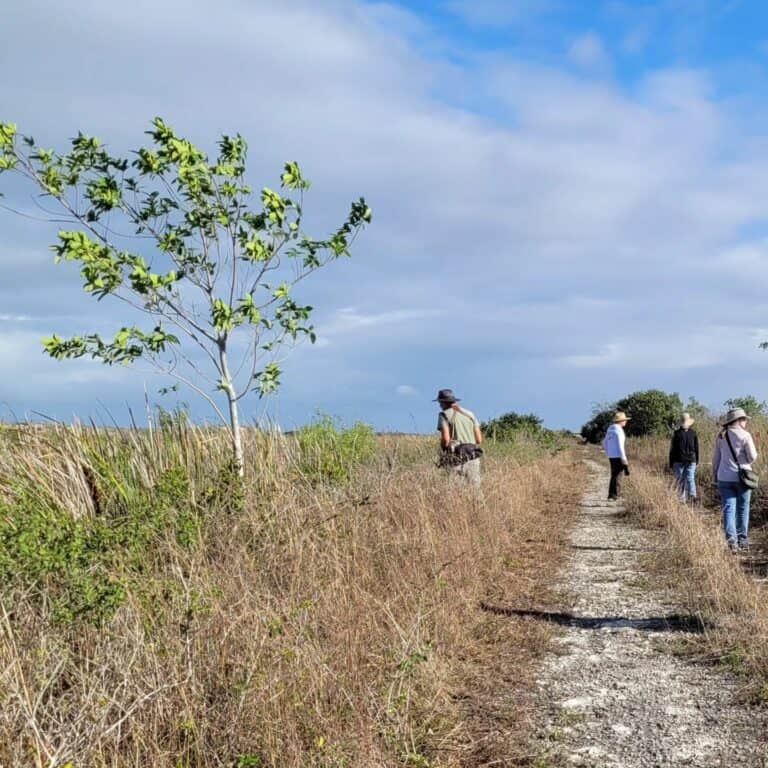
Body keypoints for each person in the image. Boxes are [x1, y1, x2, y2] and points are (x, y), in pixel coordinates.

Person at [712, 407, 758, 552]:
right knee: (743, 509)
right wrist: (744, 460)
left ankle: (731, 541)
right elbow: (753, 456)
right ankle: (742, 540)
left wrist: (715, 474)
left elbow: (716, 458)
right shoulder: (745, 435)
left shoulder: (721, 435)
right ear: (738, 421)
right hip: (742, 477)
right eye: (744, 419)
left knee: (728, 509)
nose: (745, 422)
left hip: (724, 477)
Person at [434, 389, 483, 486]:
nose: (439, 405)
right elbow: (479, 440)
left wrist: (443, 452)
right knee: (476, 491)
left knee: (455, 492)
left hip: (456, 457)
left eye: (440, 403)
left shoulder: (443, 415)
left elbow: (446, 439)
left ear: (443, 402)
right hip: (473, 456)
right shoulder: (470, 414)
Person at [669, 412, 699, 503]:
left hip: (679, 459)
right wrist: (697, 460)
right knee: (690, 478)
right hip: (691, 459)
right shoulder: (693, 433)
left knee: (680, 479)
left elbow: (672, 449)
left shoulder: (676, 434)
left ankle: (682, 499)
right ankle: (693, 495)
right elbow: (697, 448)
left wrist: (671, 462)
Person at [602, 411, 630, 500]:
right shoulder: (619, 431)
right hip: (618, 455)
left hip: (611, 456)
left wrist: (608, 452)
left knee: (614, 474)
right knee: (618, 475)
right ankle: (615, 495)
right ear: (621, 421)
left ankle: (611, 494)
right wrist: (624, 458)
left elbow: (604, 442)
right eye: (624, 420)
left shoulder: (610, 429)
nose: (626, 422)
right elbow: (620, 445)